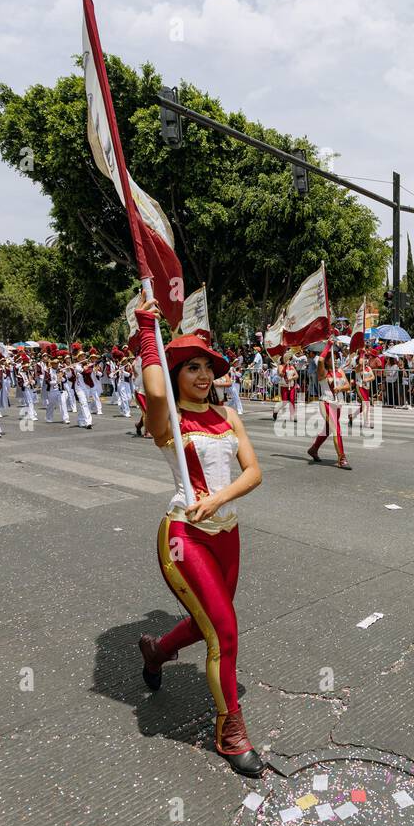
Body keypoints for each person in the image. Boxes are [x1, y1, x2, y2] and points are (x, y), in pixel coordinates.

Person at [133, 299, 265, 778]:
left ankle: (157, 650)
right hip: (183, 536)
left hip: (226, 532)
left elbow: (253, 472)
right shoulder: (167, 419)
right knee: (224, 631)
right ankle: (232, 733)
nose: (204, 376)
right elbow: (154, 389)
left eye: (208, 367)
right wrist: (147, 329)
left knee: (208, 621)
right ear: (176, 374)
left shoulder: (229, 416)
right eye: (192, 368)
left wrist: (218, 498)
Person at [306, 342, 351, 470]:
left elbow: (348, 386)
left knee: (328, 430)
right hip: (326, 403)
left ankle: (313, 449)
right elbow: (320, 359)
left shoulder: (340, 371)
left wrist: (340, 387)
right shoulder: (322, 371)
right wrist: (328, 346)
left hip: (338, 404)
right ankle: (342, 458)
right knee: (336, 429)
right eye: (333, 357)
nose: (336, 359)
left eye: (336, 357)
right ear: (327, 360)